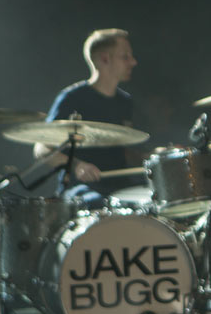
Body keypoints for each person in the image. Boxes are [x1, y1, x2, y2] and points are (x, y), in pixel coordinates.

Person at [34, 28, 139, 204]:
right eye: (125, 56)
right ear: (105, 59)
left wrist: (155, 157)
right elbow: (42, 148)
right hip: (82, 190)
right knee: (95, 202)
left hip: (120, 187)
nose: (133, 62)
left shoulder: (125, 102)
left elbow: (122, 151)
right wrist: (77, 166)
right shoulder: (72, 98)